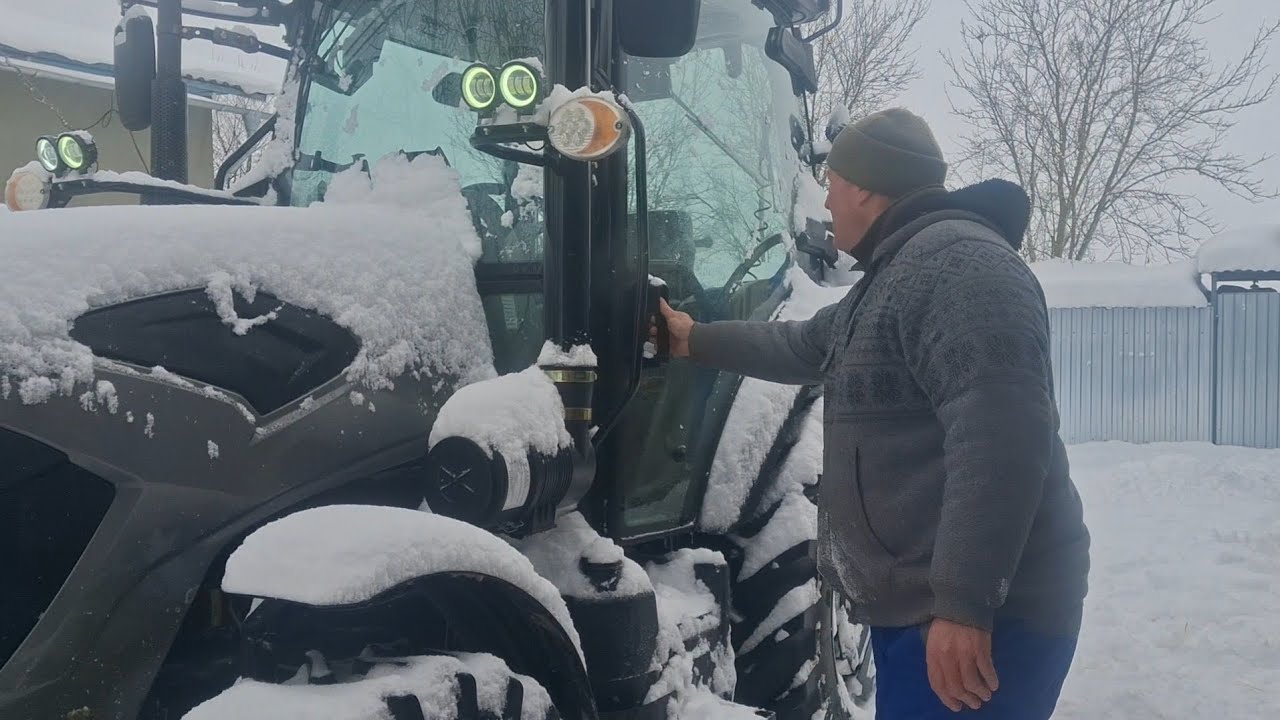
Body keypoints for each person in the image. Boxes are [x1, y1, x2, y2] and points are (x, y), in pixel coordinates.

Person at [656, 108, 1090, 718]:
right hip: (926, 613)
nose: (825, 199)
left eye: (831, 180)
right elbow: (804, 345)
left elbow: (1002, 440)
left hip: (985, 623)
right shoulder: (896, 276)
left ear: (863, 185)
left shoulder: (965, 266)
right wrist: (691, 339)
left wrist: (965, 604)